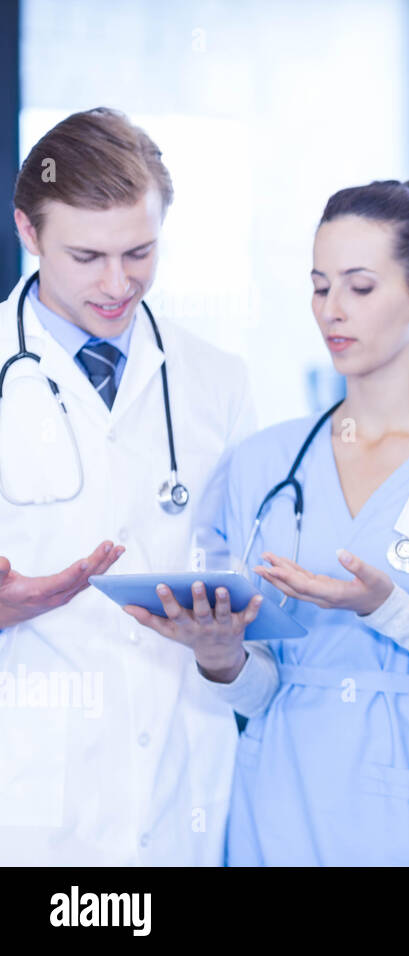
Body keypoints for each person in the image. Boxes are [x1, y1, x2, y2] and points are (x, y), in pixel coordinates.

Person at [127, 180, 409, 865]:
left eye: (360, 287)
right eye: (319, 286)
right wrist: (219, 656)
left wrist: (390, 610)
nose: (332, 311)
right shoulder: (262, 464)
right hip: (276, 793)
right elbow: (262, 683)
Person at [0, 108, 256, 864]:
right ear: (28, 230)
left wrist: (225, 646)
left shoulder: (218, 382)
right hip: (30, 807)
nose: (118, 285)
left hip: (180, 793)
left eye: (139, 252)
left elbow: (247, 590)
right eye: (87, 256)